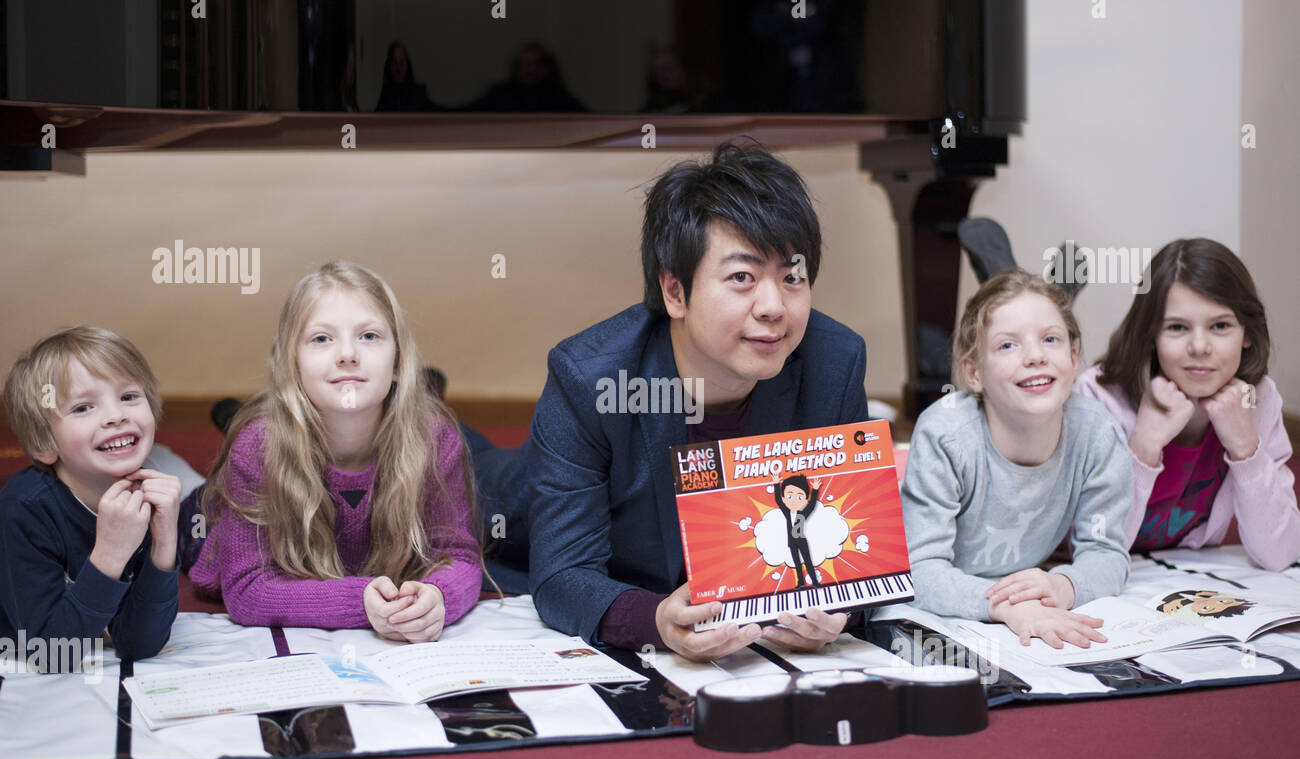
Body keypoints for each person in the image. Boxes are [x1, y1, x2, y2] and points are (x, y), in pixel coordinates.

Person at [470, 141, 870, 662]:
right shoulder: (591, 377)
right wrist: (655, 621)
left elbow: (860, 556)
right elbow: (563, 574)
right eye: (742, 278)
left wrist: (844, 610)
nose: (774, 306)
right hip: (510, 504)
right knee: (460, 472)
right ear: (675, 292)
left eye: (792, 276)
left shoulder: (833, 363)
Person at [187, 262, 481, 642]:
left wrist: (440, 595)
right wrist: (360, 602)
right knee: (193, 493)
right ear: (292, 364)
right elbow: (246, 591)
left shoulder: (435, 437)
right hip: (204, 523)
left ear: (398, 364)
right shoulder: (257, 447)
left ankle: (230, 413)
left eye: (369, 336)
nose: (347, 354)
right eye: (322, 339)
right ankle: (227, 421)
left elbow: (460, 556)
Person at [900, 268, 1131, 649]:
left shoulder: (1097, 434)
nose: (1035, 356)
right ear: (974, 373)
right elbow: (920, 570)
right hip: (967, 588)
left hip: (1022, 590)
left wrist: (1063, 585)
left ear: (1074, 359)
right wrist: (1006, 606)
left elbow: (1107, 553)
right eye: (1008, 345)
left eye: (1051, 339)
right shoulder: (944, 435)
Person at [1075, 238, 1299, 570]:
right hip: (1115, 581)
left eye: (1220, 326)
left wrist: (1246, 447)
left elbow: (1280, 553)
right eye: (1177, 327)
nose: (1199, 346)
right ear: (1151, 336)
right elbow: (1092, 548)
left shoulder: (1258, 398)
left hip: (1183, 579)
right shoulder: (1097, 396)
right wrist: (1143, 447)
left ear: (1247, 333)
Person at [0, 327, 181, 664]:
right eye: (83, 408)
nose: (116, 416)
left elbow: (140, 644)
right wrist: (110, 554)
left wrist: (164, 545)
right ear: (44, 443)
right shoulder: (24, 508)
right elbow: (51, 655)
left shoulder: (143, 497)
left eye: (128, 397)